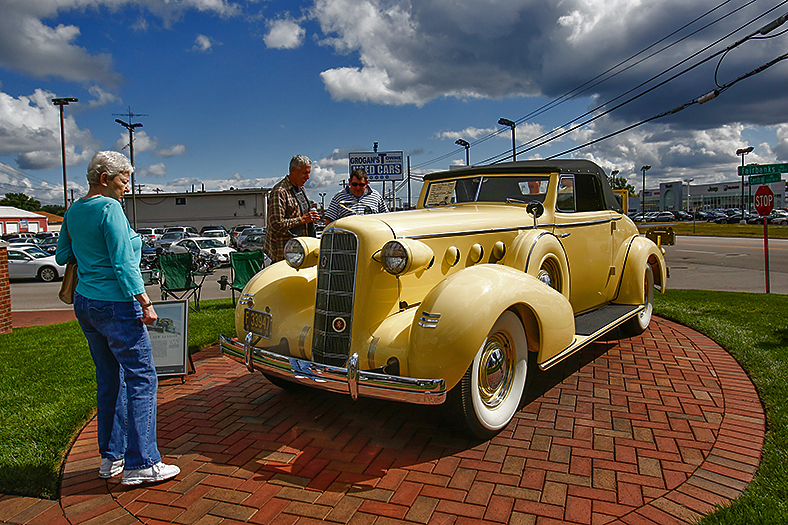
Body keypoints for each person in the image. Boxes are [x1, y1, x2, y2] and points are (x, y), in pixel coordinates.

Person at [55, 151, 180, 486]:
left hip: (86, 303)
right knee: (142, 378)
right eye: (124, 179)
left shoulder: (75, 209)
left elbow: (63, 254)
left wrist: (89, 255)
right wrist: (145, 302)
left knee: (110, 379)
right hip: (117, 305)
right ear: (105, 177)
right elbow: (124, 263)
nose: (127, 186)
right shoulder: (109, 208)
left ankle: (111, 457)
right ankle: (143, 463)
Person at [265, 154, 320, 262]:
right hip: (283, 255)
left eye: (309, 173)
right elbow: (276, 223)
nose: (308, 177)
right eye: (305, 173)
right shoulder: (279, 191)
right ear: (293, 170)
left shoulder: (301, 189)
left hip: (300, 253)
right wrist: (303, 219)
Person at [324, 168, 389, 223]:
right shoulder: (339, 197)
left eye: (361, 184)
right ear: (349, 182)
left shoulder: (376, 196)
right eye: (354, 184)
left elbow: (386, 217)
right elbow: (329, 221)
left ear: (366, 183)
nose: (358, 188)